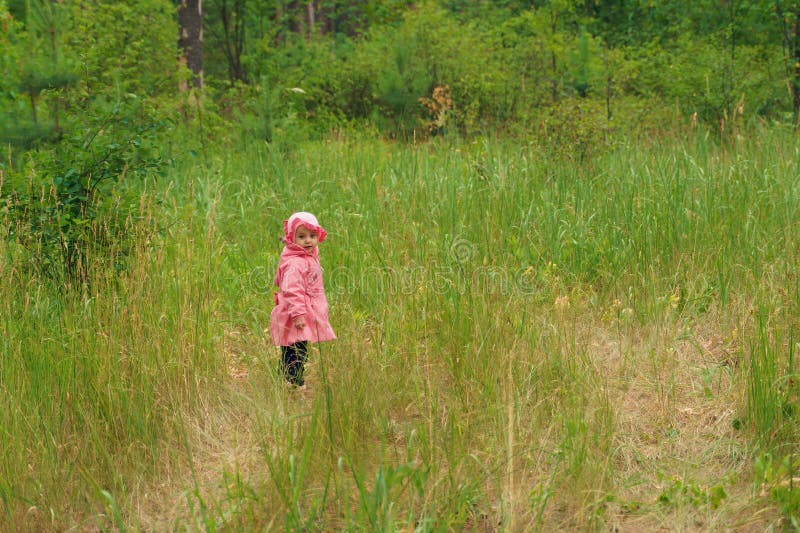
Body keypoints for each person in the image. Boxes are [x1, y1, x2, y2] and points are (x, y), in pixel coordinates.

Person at [270, 212, 336, 387]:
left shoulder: (306, 256)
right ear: (292, 238)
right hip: (295, 313)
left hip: (301, 310)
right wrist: (299, 314)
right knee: (295, 348)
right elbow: (292, 289)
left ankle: (287, 377)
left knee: (297, 346)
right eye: (302, 237)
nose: (308, 241)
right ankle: (292, 381)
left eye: (312, 236)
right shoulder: (295, 263)